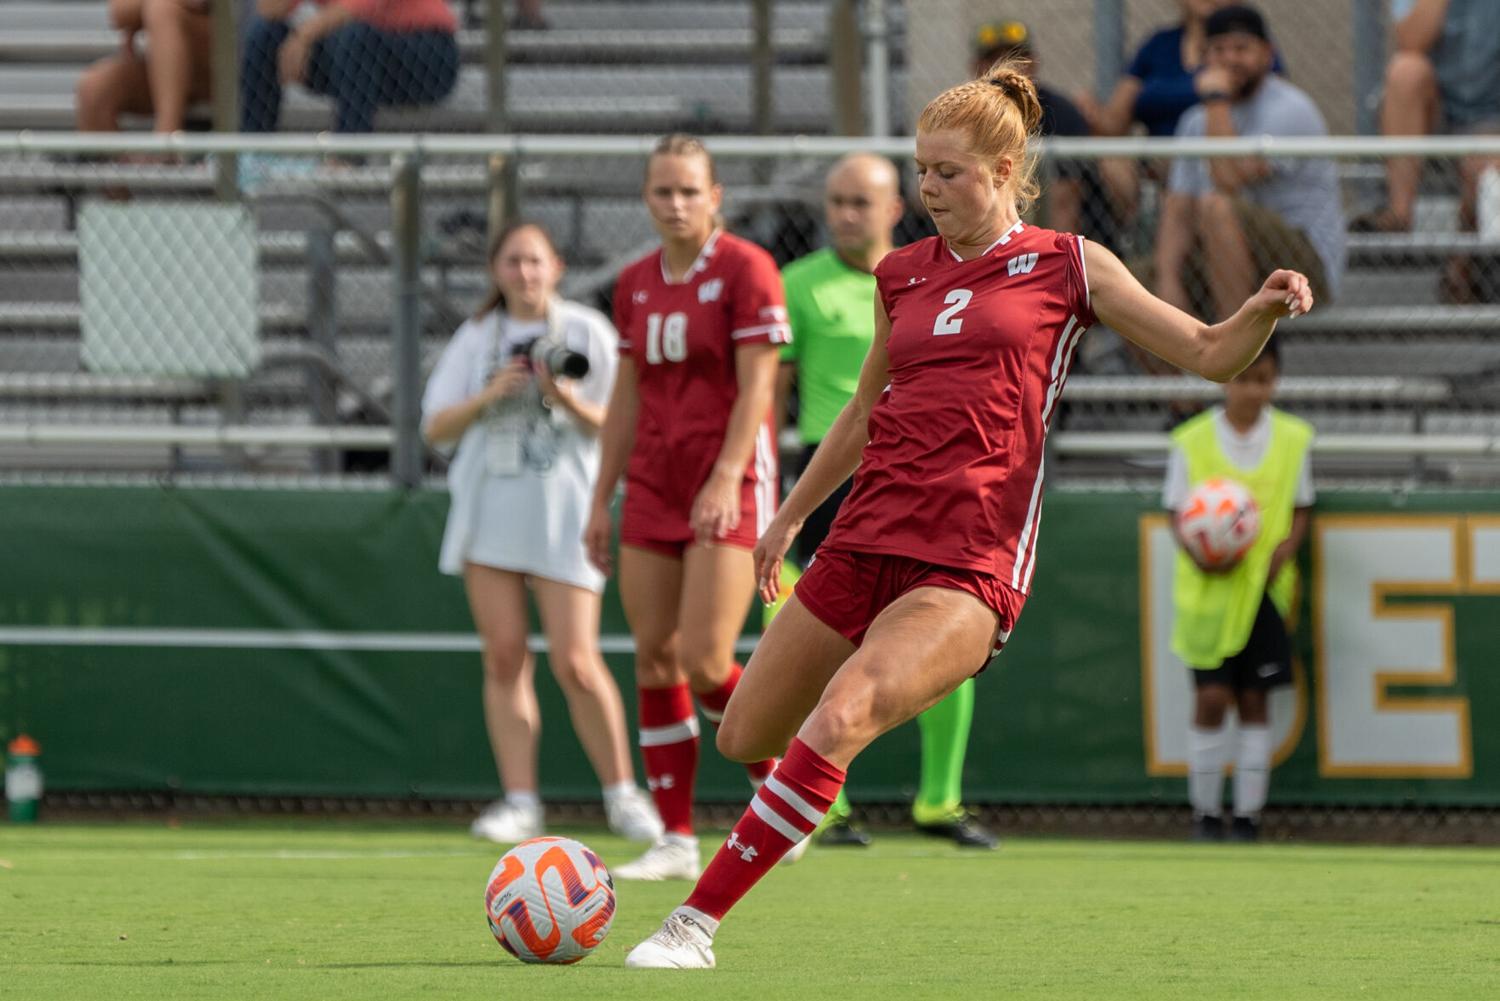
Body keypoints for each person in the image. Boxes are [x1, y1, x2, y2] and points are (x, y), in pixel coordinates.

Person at [623, 56, 1314, 970]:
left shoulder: (1071, 264)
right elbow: (864, 413)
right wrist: (789, 516)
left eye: (946, 172)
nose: (927, 188)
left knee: (842, 715)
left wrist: (1262, 310)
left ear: (1002, 172)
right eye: (920, 170)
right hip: (865, 534)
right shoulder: (901, 272)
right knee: (745, 730)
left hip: (968, 561)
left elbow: (1211, 352)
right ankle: (784, 815)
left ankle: (693, 922)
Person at [585, 134, 799, 881]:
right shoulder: (637, 281)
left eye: (688, 191)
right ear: (645, 198)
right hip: (652, 480)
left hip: (728, 480)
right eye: (662, 191)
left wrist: (725, 475)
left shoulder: (747, 268)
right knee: (655, 655)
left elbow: (759, 386)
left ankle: (777, 786)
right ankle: (675, 836)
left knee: (708, 657)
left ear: (716, 197)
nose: (675, 204)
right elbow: (626, 397)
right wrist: (599, 496)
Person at [777, 152, 998, 850]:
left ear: (894, 208)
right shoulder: (798, 284)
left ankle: (940, 799)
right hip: (827, 474)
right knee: (824, 641)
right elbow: (768, 390)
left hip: (914, 475)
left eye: (860, 202)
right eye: (835, 201)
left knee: (942, 637)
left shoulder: (928, 279)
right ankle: (826, 803)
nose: (845, 214)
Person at [422, 221, 661, 846]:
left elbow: (625, 423)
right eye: (513, 261)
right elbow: (435, 427)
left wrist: (568, 397)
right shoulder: (476, 336)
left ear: (556, 266)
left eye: (535, 261)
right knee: (504, 657)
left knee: (577, 661)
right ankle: (520, 800)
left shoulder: (587, 331)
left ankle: (622, 795)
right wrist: (489, 395)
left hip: (565, 512)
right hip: (490, 507)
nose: (525, 273)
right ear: (496, 271)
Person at [1164, 337, 1312, 843]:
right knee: (1211, 699)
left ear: (1275, 382)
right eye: (1243, 378)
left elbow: (1301, 509)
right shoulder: (1190, 440)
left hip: (1263, 596)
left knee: (1255, 701)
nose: (1251, 390)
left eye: (1262, 380)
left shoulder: (1294, 439)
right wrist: (1202, 552)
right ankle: (1205, 815)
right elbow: (1175, 513)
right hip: (1208, 596)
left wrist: (1281, 554)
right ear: (1225, 378)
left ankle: (1247, 818)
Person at [1154, 6, 1343, 337]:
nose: (1230, 59)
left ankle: (1237, 352)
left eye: (1241, 49)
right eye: (1219, 50)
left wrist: (1215, 98)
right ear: (1203, 57)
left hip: (1304, 269)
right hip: (1226, 258)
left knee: (1216, 206)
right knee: (1134, 286)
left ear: (1268, 55)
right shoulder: (1194, 121)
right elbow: (1178, 208)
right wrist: (1166, 283)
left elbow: (1227, 178)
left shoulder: (1291, 108)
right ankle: (1180, 389)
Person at [1354, 0, 1500, 302]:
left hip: (1492, 114)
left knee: (1484, 165)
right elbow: (1411, 40)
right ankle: (1398, 215)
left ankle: (1461, 268)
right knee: (1406, 71)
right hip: (1439, 108)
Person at [971, 20, 1116, 244]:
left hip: (1061, 218)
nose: (1005, 67)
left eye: (1015, 57)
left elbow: (1068, 191)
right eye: (994, 58)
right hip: (986, 208)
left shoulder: (1061, 111)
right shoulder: (964, 116)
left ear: (1033, 62)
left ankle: (1056, 263)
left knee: (1061, 190)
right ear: (977, 66)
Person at [241, 0, 459, 134]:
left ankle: (347, 159)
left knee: (355, 36)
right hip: (353, 59)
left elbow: (359, 6)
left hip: (426, 57)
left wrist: (303, 36)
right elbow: (269, 10)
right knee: (264, 35)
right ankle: (251, 153)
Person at [75, 0, 212, 136]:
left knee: (162, 10)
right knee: (95, 87)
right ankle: (117, 157)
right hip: (168, 67)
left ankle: (166, 138)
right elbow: (119, 12)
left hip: (222, 69)